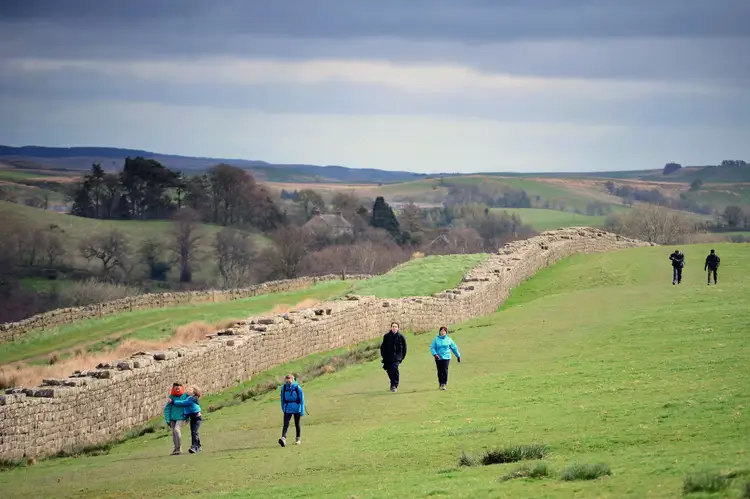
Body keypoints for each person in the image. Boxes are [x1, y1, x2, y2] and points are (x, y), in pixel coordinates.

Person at [168, 385, 203, 453]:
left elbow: (183, 403)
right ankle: (198, 446)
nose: (188, 390)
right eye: (188, 389)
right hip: (192, 418)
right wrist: (186, 417)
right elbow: (186, 409)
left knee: (194, 432)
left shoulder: (191, 399)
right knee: (194, 432)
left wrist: (173, 402)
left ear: (194, 392)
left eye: (190, 390)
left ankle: (194, 447)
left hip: (197, 418)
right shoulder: (188, 398)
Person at [429, 326, 461, 390]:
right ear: (439, 332)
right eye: (441, 331)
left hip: (446, 357)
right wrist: (435, 354)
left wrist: (458, 356)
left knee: (445, 370)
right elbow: (432, 348)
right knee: (440, 371)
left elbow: (454, 348)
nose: (442, 332)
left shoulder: (449, 339)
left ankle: (444, 384)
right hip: (438, 357)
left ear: (446, 332)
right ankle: (440, 383)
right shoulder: (436, 339)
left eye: (444, 331)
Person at [278, 374, 305, 447]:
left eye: (289, 382)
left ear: (293, 380)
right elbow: (282, 400)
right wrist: (283, 408)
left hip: (297, 408)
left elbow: (302, 400)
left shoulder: (297, 388)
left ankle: (298, 439)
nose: (288, 383)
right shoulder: (283, 388)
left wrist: (302, 411)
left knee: (297, 424)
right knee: (285, 424)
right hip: (287, 408)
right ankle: (283, 438)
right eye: (286, 382)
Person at [380, 322, 407, 392]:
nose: (394, 328)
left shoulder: (401, 337)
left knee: (394, 368)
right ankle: (392, 383)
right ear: (391, 327)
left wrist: (402, 357)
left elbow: (404, 348)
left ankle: (395, 385)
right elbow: (383, 347)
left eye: (395, 327)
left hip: (397, 357)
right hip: (388, 358)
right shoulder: (386, 336)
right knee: (389, 371)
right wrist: (383, 356)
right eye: (393, 326)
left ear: (398, 328)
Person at [163, 382, 190, 455]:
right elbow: (167, 409)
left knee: (176, 430)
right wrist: (167, 419)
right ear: (173, 388)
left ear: (181, 388)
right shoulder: (171, 397)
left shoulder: (185, 396)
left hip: (181, 417)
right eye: (176, 389)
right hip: (172, 418)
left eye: (179, 388)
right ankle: (175, 449)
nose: (177, 390)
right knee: (174, 433)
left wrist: (187, 417)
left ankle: (179, 448)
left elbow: (187, 406)